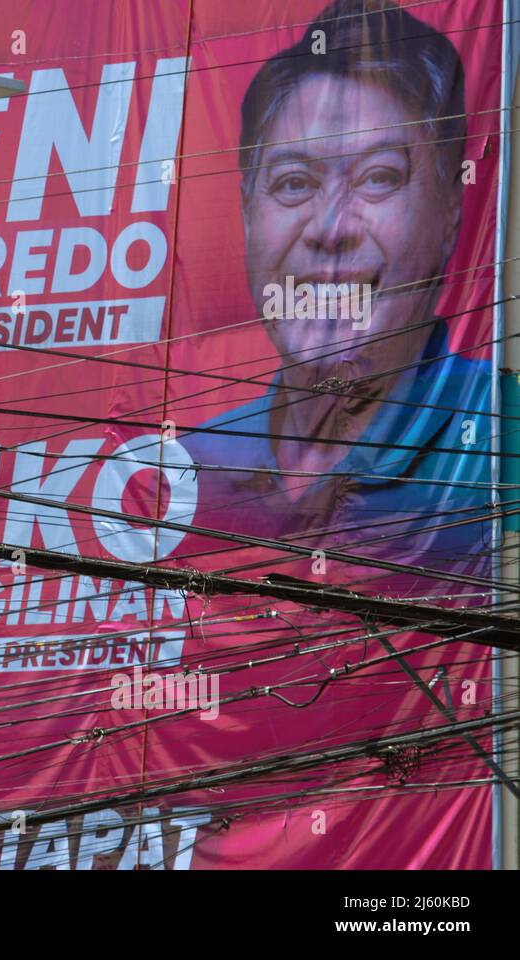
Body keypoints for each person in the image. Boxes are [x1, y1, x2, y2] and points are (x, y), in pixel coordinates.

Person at [180, 0, 491, 579]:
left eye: (378, 178)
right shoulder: (193, 466)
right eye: (294, 182)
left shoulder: (499, 436)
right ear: (248, 214)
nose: (329, 229)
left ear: (452, 208)